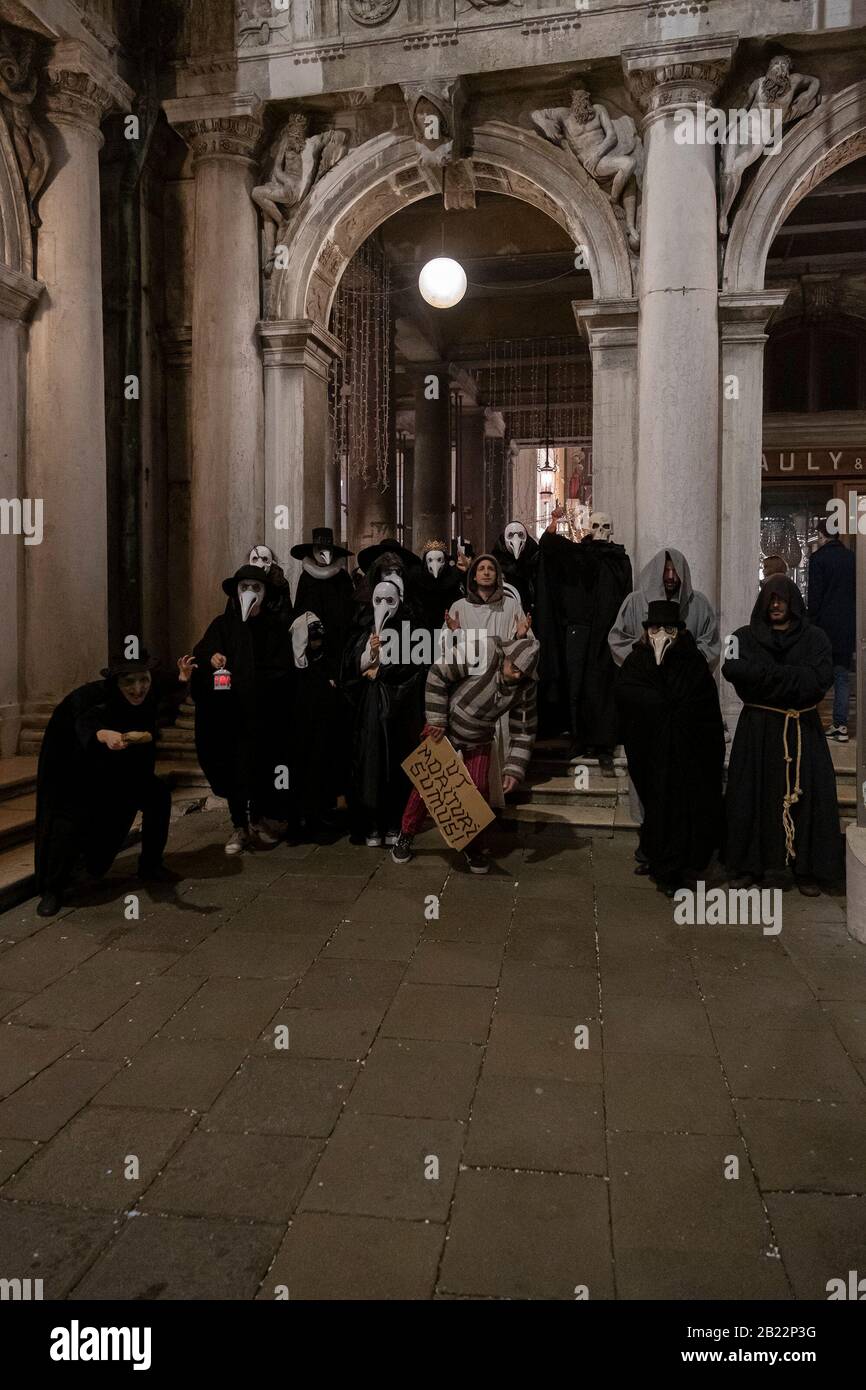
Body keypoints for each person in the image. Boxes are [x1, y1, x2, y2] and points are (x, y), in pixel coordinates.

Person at [34, 649, 195, 916]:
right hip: (83, 774)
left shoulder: (149, 691)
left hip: (123, 772)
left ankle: (151, 865)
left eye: (143, 679)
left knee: (157, 796)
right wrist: (105, 735)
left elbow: (165, 691)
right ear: (116, 683)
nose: (138, 688)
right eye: (129, 682)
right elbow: (86, 722)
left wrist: (181, 677)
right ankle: (53, 888)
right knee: (67, 825)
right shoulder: (94, 700)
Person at [722, 575, 843, 895]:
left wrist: (764, 677)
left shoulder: (815, 638)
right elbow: (732, 670)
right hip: (757, 732)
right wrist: (791, 679)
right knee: (752, 796)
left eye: (782, 599)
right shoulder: (741, 638)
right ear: (763, 601)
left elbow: (819, 681)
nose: (776, 604)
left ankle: (806, 870)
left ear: (792, 601)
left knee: (805, 798)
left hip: (801, 730)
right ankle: (749, 865)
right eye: (770, 598)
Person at [391, 634, 540, 874]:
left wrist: (514, 767)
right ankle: (406, 833)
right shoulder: (486, 649)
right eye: (515, 668)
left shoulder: (526, 687)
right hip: (446, 726)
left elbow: (524, 730)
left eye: (524, 672)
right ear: (508, 656)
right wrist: (437, 718)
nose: (517, 675)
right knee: (428, 785)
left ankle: (472, 845)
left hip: (480, 736)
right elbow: (438, 672)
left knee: (478, 791)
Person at [615, 600, 725, 895]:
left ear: (678, 631)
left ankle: (678, 866)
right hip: (651, 749)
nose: (661, 633)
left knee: (681, 807)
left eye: (668, 628)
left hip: (686, 752)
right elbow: (627, 694)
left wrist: (675, 712)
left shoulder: (693, 662)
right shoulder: (638, 660)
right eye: (654, 627)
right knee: (655, 803)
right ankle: (656, 856)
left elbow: (703, 705)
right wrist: (659, 707)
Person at [192, 565, 294, 855]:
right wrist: (211, 658)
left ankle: (259, 819)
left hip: (263, 714)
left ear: (264, 593)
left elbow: (283, 668)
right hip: (230, 715)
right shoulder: (222, 626)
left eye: (256, 588)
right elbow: (202, 654)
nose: (250, 593)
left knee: (262, 767)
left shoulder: (274, 626)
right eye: (244, 587)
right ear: (236, 592)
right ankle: (239, 825)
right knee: (234, 768)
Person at [535, 506, 632, 771]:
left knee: (603, 685)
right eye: (596, 527)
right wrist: (553, 523)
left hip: (608, 631)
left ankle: (603, 741)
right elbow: (550, 546)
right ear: (589, 529)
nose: (600, 532)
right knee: (577, 683)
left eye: (605, 527)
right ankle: (580, 736)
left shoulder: (619, 559)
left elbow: (626, 595)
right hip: (580, 630)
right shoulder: (579, 555)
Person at [341, 578, 425, 847]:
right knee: (369, 764)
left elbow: (414, 667)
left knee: (394, 764)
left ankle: (393, 822)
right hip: (368, 711)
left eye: (390, 600)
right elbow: (351, 667)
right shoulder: (361, 631)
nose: (384, 606)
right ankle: (371, 824)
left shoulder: (410, 633)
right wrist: (370, 655)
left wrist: (385, 670)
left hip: (398, 711)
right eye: (378, 600)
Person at [445, 552, 530, 805]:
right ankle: (468, 807)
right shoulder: (460, 607)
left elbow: (525, 651)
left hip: (498, 687)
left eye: (490, 568)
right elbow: (445, 653)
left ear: (498, 575)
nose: (485, 572)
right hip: (469, 687)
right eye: (480, 568)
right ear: (472, 575)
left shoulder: (510, 606)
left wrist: (520, 636)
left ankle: (495, 801)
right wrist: (455, 633)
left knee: (497, 745)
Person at [609, 547, 720, 670]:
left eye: (675, 570)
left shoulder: (699, 604)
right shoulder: (635, 601)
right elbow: (617, 640)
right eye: (666, 570)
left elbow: (711, 644)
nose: (670, 576)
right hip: (644, 679)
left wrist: (685, 660)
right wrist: (644, 658)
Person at [289, 611, 346, 842]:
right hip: (299, 730)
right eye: (312, 639)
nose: (317, 643)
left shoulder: (324, 659)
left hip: (321, 728)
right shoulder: (294, 666)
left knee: (320, 771)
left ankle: (317, 817)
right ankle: (299, 821)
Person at [808, 518, 855, 743]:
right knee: (842, 675)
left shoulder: (818, 559)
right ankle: (841, 724)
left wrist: (811, 623)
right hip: (847, 625)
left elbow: (815, 596)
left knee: (818, 674)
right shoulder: (851, 558)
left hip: (824, 625)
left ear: (822, 535)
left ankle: (809, 719)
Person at [290, 526, 355, 665]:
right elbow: (300, 608)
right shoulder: (306, 577)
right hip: (313, 644)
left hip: (338, 641)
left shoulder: (342, 577)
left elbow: (350, 608)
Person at [407, 538, 463, 644]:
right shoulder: (416, 581)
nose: (435, 564)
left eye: (439, 560)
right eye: (430, 560)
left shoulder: (454, 579)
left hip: (447, 631)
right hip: (420, 633)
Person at [492, 520, 539, 611]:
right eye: (511, 535)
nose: (516, 539)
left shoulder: (534, 557)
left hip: (530, 608)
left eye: (520, 534)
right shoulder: (496, 560)